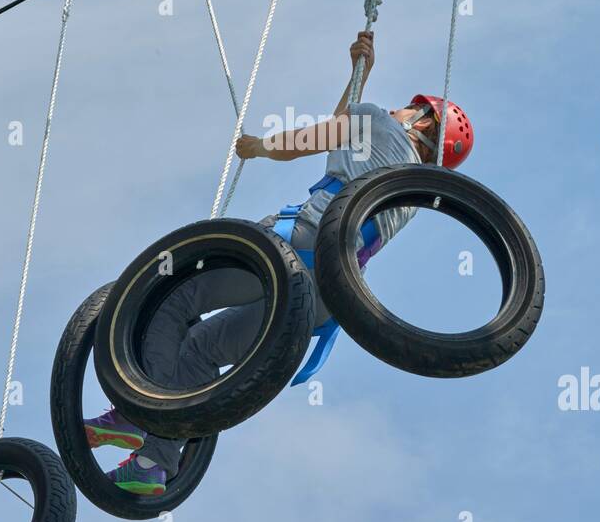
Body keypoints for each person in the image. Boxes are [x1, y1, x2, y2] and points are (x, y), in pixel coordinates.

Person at [84, 31, 474, 494]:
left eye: (410, 108)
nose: (398, 109)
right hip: (329, 298)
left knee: (174, 293)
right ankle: (155, 461)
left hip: (294, 246)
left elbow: (319, 134)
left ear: (426, 124)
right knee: (202, 348)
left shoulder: (380, 125)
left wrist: (262, 145)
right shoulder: (411, 189)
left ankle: (135, 410)